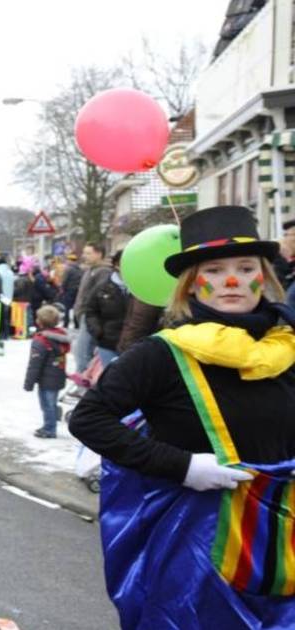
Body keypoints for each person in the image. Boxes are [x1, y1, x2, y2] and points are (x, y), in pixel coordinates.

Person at [70, 205, 295, 628]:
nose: (231, 281)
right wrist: (183, 466)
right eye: (213, 270)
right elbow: (88, 420)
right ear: (191, 285)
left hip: (285, 549)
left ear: (264, 278)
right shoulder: (161, 354)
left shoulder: (289, 349)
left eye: (245, 267)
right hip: (196, 557)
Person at [23, 304, 69, 439]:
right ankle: (52, 421)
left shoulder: (41, 340)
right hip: (58, 375)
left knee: (46, 404)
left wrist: (29, 383)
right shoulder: (61, 337)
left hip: (46, 379)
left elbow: (35, 364)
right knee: (52, 402)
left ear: (40, 322)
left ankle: (50, 428)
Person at [72, 243, 112, 372]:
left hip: (90, 316)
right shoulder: (89, 270)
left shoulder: (103, 271)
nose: (85, 256)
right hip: (84, 314)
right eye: (84, 253)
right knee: (82, 350)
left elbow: (96, 295)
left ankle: (84, 382)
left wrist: (85, 310)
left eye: (89, 253)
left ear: (99, 254)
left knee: (83, 351)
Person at [84, 249, 128, 367]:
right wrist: (98, 331)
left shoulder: (142, 288)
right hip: (108, 343)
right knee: (111, 377)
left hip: (134, 343)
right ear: (117, 265)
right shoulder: (102, 287)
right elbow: (91, 311)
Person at [60, 254, 83, 327]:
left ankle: (66, 324)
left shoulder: (68, 269)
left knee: (67, 308)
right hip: (78, 291)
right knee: (76, 307)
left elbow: (64, 281)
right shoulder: (80, 269)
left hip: (69, 291)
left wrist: (62, 289)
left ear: (70, 260)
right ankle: (77, 324)